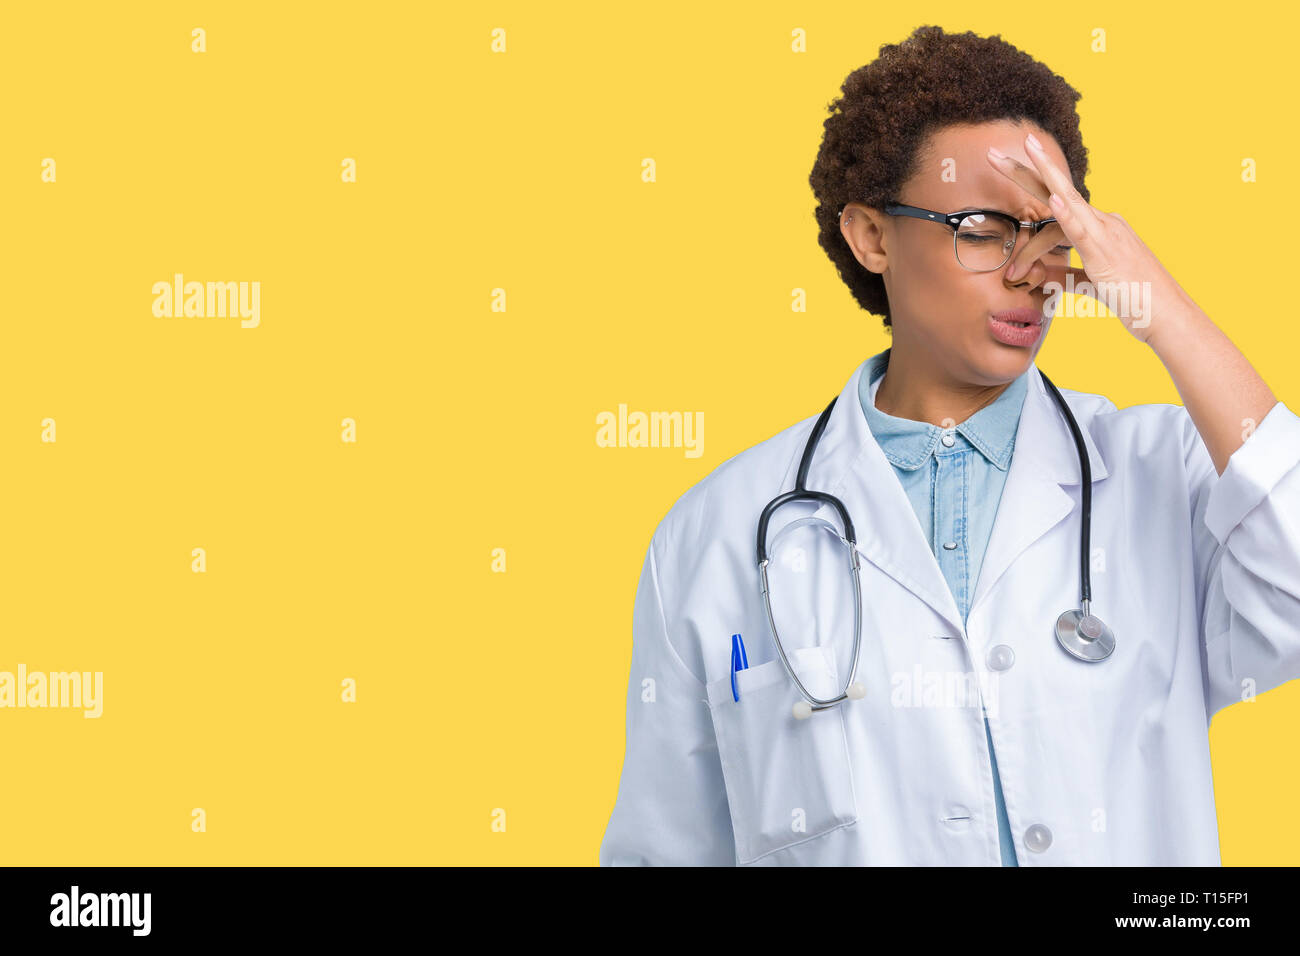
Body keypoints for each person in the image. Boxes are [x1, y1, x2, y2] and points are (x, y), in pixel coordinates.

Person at [599, 25, 1297, 866]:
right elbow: (665, 847)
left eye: (1049, 233)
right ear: (873, 238)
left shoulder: (1166, 470)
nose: (1030, 271)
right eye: (983, 228)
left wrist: (1163, 310)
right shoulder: (716, 533)